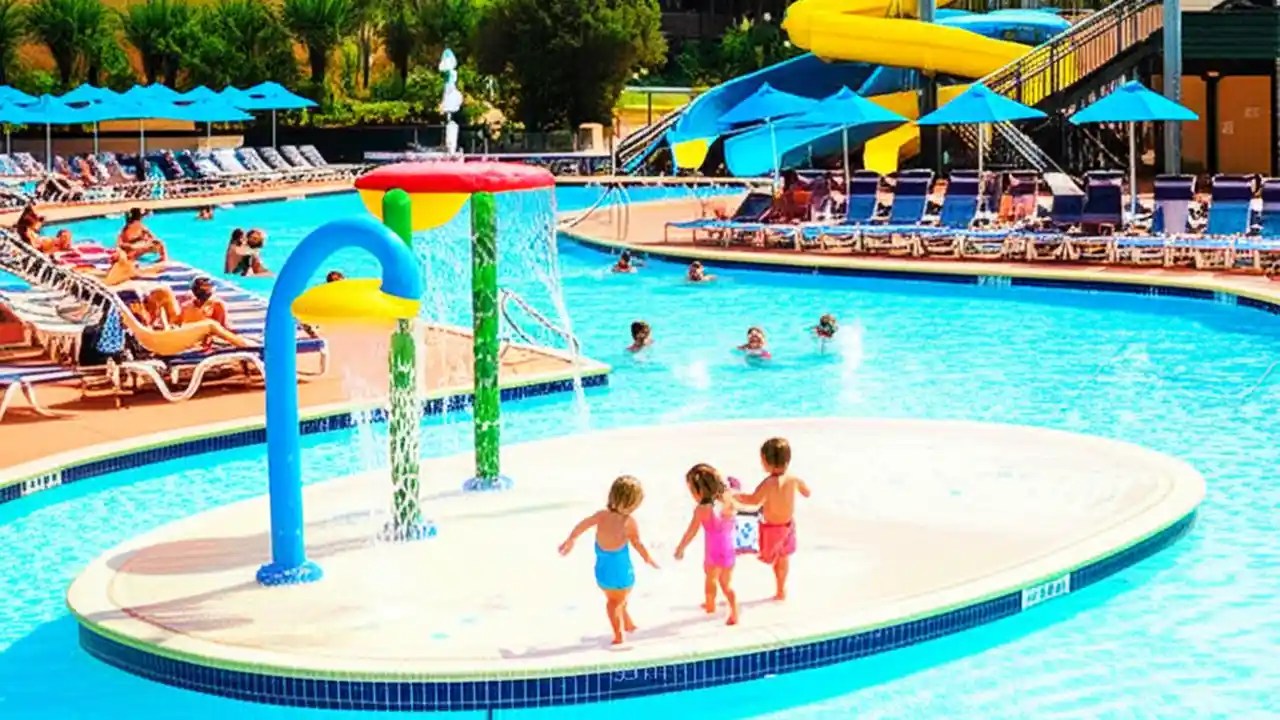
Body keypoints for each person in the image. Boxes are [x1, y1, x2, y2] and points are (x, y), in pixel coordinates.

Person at [558, 475, 659, 645]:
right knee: (618, 601)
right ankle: (624, 630)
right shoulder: (628, 522)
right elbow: (637, 543)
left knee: (614, 602)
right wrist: (647, 558)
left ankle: (623, 631)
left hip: (605, 571)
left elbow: (583, 525)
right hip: (622, 571)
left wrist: (571, 539)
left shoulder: (602, 516)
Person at [735, 437, 811, 601]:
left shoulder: (768, 483)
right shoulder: (793, 479)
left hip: (771, 528)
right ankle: (780, 590)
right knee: (783, 558)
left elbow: (753, 500)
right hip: (788, 527)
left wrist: (736, 496)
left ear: (766, 461)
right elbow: (807, 492)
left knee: (768, 556)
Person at [673, 463, 740, 626]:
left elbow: (691, 532)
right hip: (729, 549)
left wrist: (681, 548)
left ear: (700, 491)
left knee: (711, 580)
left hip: (713, 553)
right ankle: (734, 610)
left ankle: (710, 606)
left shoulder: (702, 510)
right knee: (726, 584)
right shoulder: (728, 502)